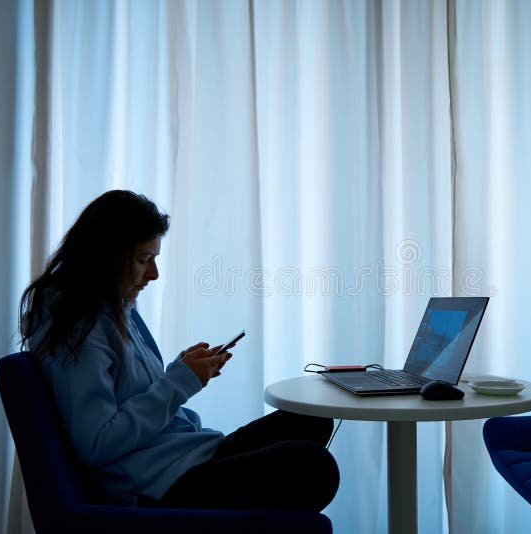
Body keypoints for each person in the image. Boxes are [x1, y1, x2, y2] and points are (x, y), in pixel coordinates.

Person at [19, 190, 339, 511]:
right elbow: (97, 444)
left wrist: (183, 370)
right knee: (315, 467)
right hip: (162, 484)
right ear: (107, 258)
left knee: (314, 421)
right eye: (144, 260)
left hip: (183, 455)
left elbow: (137, 393)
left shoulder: (116, 307)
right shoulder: (81, 331)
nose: (154, 274)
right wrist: (181, 382)